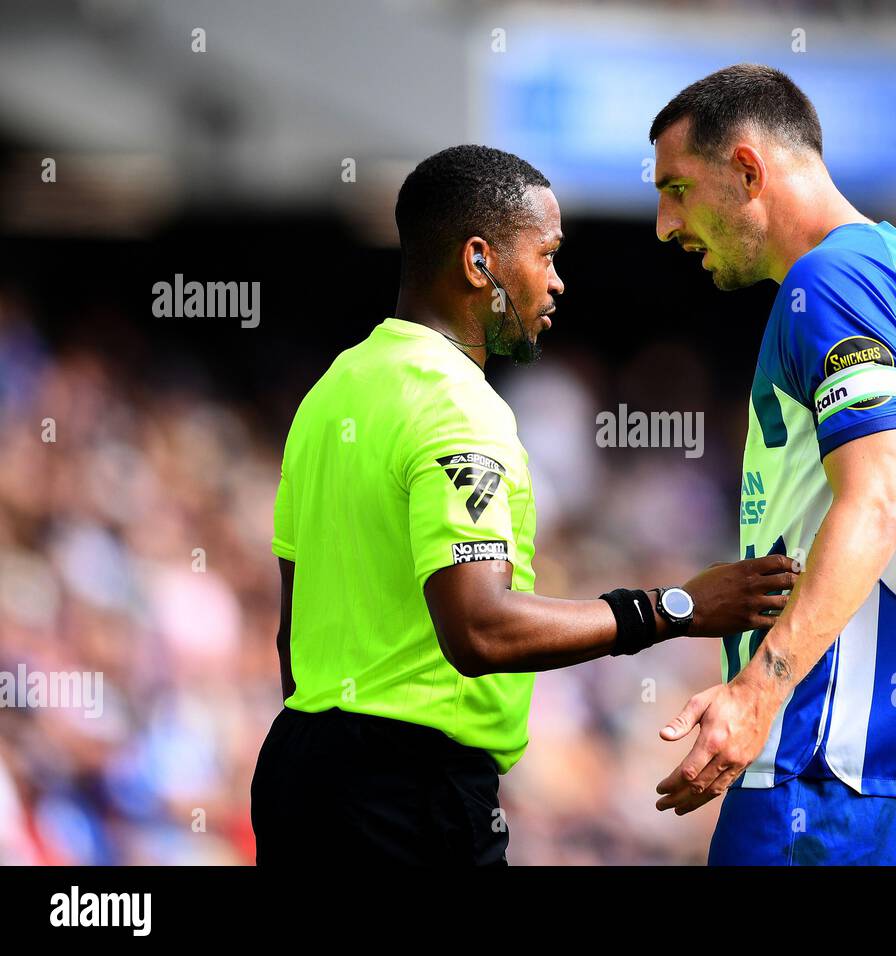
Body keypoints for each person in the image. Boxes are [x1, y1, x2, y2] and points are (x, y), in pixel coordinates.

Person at [251, 144, 796, 866]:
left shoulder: (330, 395)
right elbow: (478, 628)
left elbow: (295, 643)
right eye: (546, 256)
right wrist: (674, 609)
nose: (559, 283)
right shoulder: (456, 407)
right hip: (409, 794)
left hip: (300, 774)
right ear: (480, 262)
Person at [647, 65, 896, 865]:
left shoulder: (826, 281)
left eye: (677, 189)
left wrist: (761, 689)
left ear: (748, 170)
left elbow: (879, 498)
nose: (662, 224)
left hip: (826, 766)